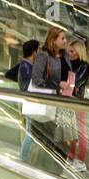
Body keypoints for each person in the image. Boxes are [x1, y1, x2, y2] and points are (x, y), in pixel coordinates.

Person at [28, 25, 75, 162]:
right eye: (62, 38)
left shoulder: (65, 55)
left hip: (63, 106)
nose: (65, 41)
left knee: (62, 143)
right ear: (53, 40)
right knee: (44, 143)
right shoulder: (43, 55)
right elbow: (37, 79)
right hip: (47, 105)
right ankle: (38, 171)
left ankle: (55, 174)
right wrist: (57, 85)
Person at [65, 37, 89, 173]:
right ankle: (70, 156)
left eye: (72, 52)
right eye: (69, 52)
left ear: (79, 52)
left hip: (79, 101)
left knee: (81, 131)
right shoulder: (70, 64)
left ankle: (80, 160)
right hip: (69, 99)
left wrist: (69, 84)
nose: (70, 54)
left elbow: (77, 82)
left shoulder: (84, 66)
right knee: (71, 130)